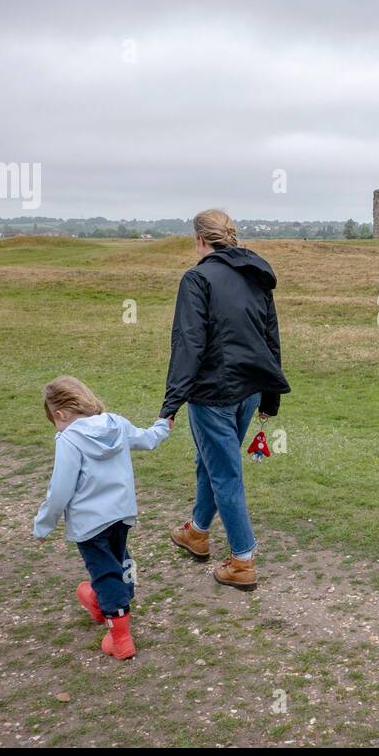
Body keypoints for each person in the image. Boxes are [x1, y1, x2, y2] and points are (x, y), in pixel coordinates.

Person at [161, 209, 289, 591]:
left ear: (201, 240)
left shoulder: (197, 278)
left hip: (213, 394)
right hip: (248, 389)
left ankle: (243, 560)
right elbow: (270, 338)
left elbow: (188, 344)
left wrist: (170, 405)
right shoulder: (255, 275)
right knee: (212, 462)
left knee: (224, 472)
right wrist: (270, 394)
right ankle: (198, 532)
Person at [33, 375, 171, 660]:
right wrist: (161, 426)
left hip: (89, 521)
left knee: (105, 571)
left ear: (60, 414)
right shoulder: (116, 424)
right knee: (120, 561)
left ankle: (120, 638)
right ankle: (102, 601)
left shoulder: (69, 440)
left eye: (54, 421)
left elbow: (60, 489)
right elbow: (146, 440)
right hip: (121, 513)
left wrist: (44, 523)